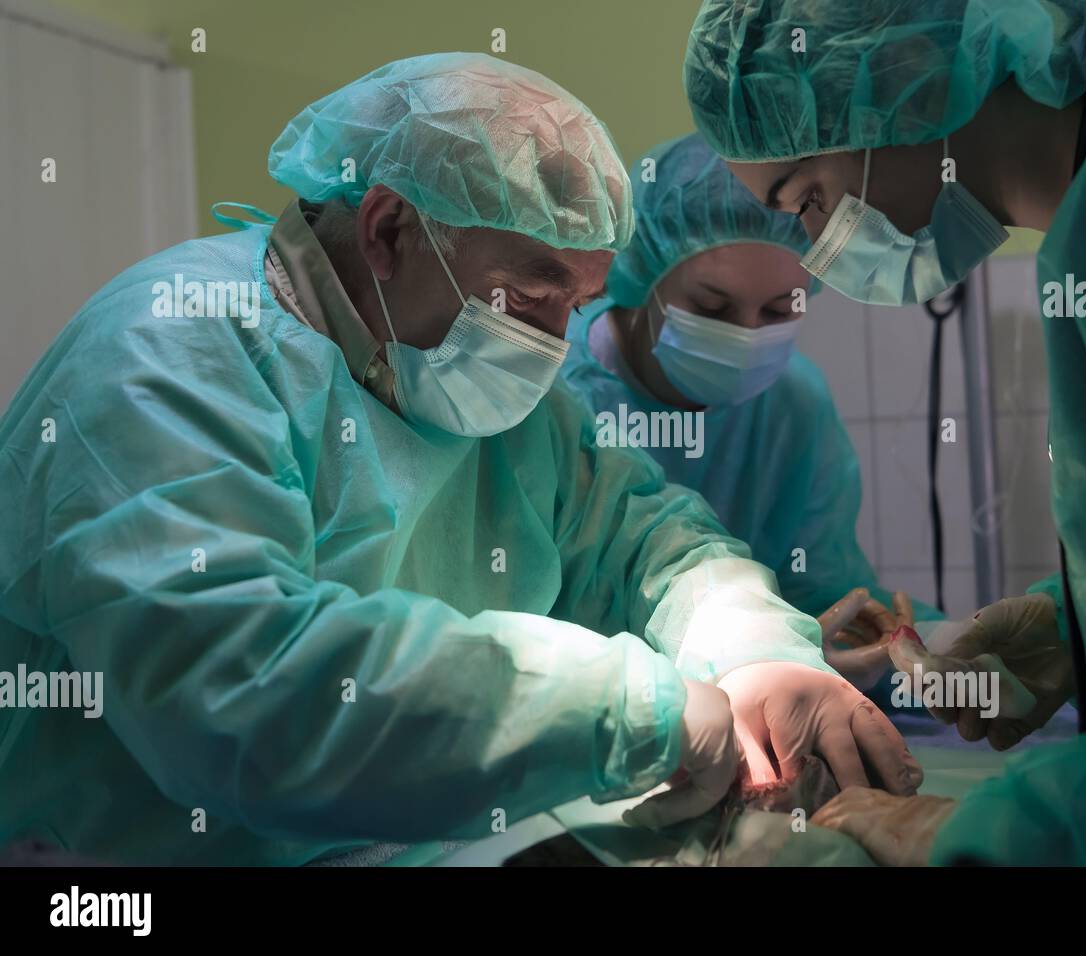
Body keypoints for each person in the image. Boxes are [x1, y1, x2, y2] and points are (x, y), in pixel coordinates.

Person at [0, 53, 923, 866]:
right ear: (390, 230)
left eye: (583, 300)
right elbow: (244, 694)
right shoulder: (170, 358)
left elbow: (648, 542)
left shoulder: (481, 389)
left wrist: (755, 651)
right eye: (528, 296)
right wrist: (634, 711)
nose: (557, 343)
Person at [685, 0, 1086, 864]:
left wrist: (993, 834)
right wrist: (1074, 636)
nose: (817, 246)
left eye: (807, 198)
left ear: (901, 78)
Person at [559, 132, 940, 692]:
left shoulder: (792, 406)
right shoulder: (558, 396)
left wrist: (930, 651)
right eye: (712, 307)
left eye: (780, 309)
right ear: (643, 281)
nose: (745, 335)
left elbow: (823, 596)